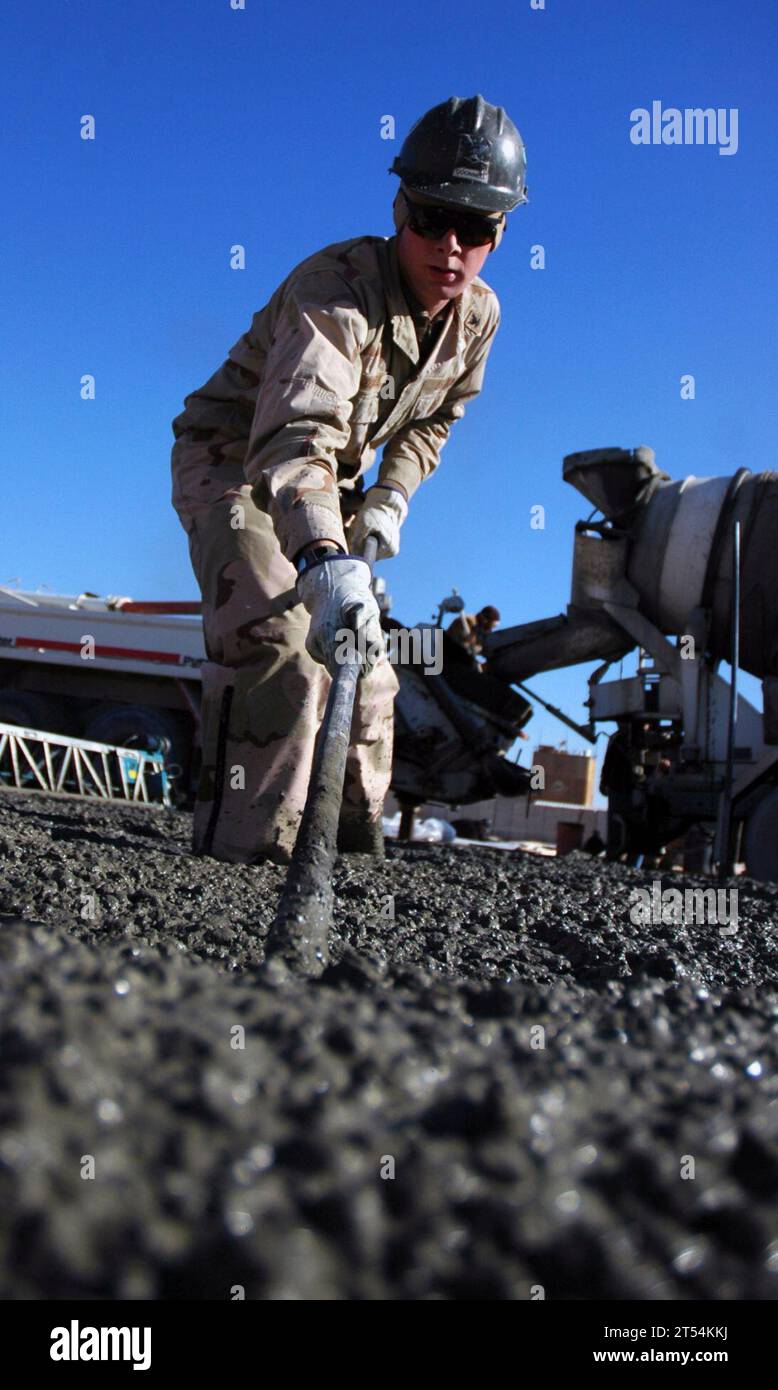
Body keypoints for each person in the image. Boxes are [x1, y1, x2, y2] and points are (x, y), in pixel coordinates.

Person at [170, 95, 527, 864]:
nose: (451, 247)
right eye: (432, 219)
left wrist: (392, 495)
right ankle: (248, 867)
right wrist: (323, 557)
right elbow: (297, 436)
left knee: (367, 667)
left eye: (476, 228)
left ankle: (345, 864)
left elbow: (438, 420)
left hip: (337, 483)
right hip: (238, 461)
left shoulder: (479, 318)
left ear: (501, 234)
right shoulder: (333, 292)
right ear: (400, 208)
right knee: (280, 637)